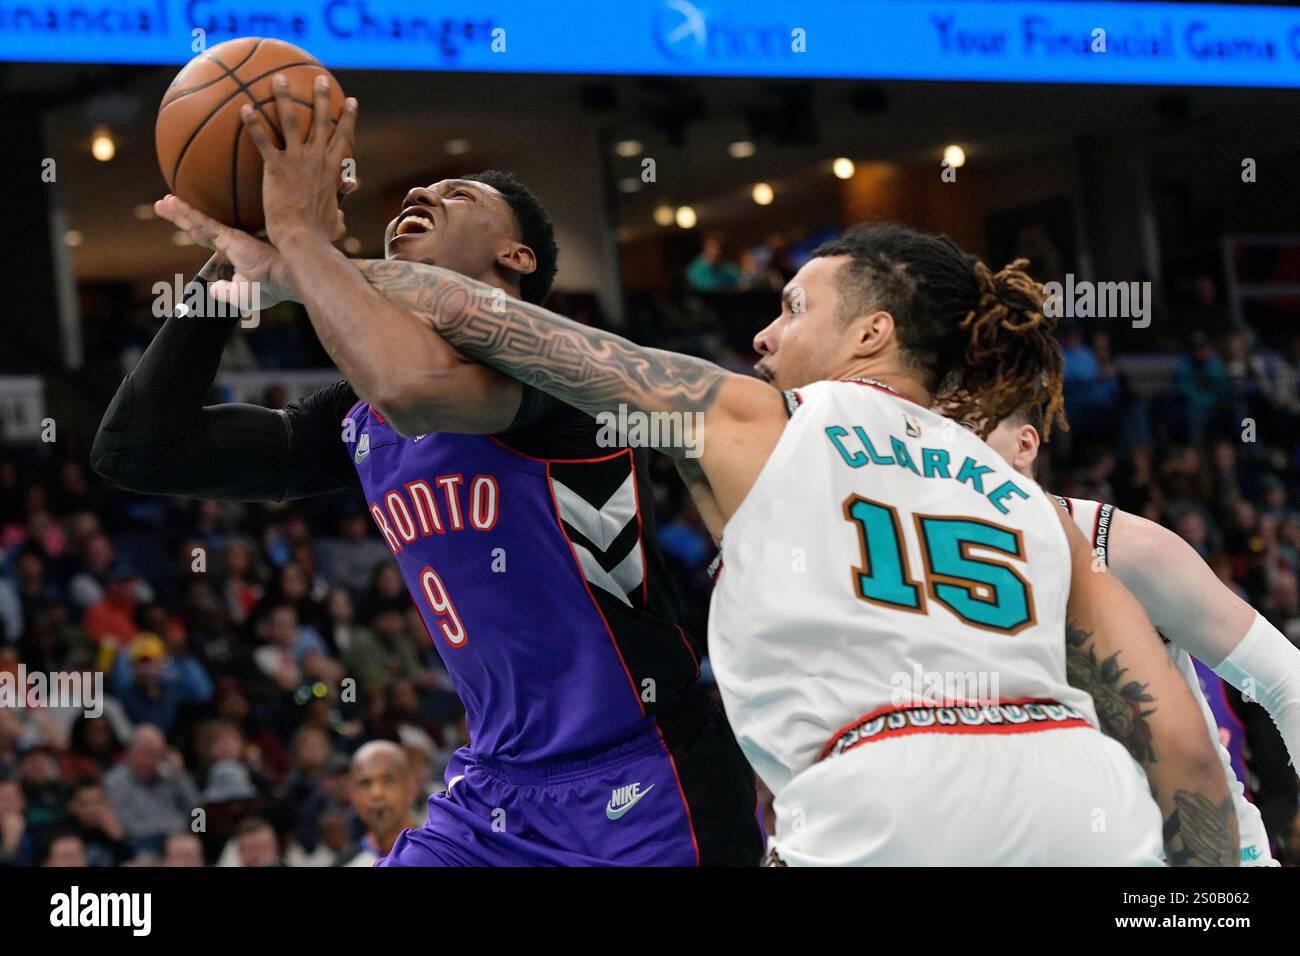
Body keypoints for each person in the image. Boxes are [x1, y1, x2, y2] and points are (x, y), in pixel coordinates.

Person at [180, 96, 1234, 866]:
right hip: (1081, 796)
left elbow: (484, 326)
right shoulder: (1029, 504)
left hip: (881, 798)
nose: (762, 333)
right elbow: (1179, 740)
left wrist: (305, 245)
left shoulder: (750, 417)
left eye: (790, 305)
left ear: (868, 334)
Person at [95, 77, 760, 867]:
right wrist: (227, 272)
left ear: (516, 256)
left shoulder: (569, 371)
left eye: (458, 191)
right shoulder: (353, 419)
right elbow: (136, 451)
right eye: (419, 189)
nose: (418, 190)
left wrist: (304, 244)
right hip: (494, 792)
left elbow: (412, 389)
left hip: (648, 776)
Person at [980, 401, 1300, 865]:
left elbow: (1286, 681)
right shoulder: (912, 564)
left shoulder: (1123, 546)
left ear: (1025, 445)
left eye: (968, 433)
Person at [336, 740, 422, 867]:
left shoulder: (445, 853)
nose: (376, 793)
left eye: (389, 781)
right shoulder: (346, 863)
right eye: (365, 783)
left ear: (411, 787)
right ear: (353, 795)